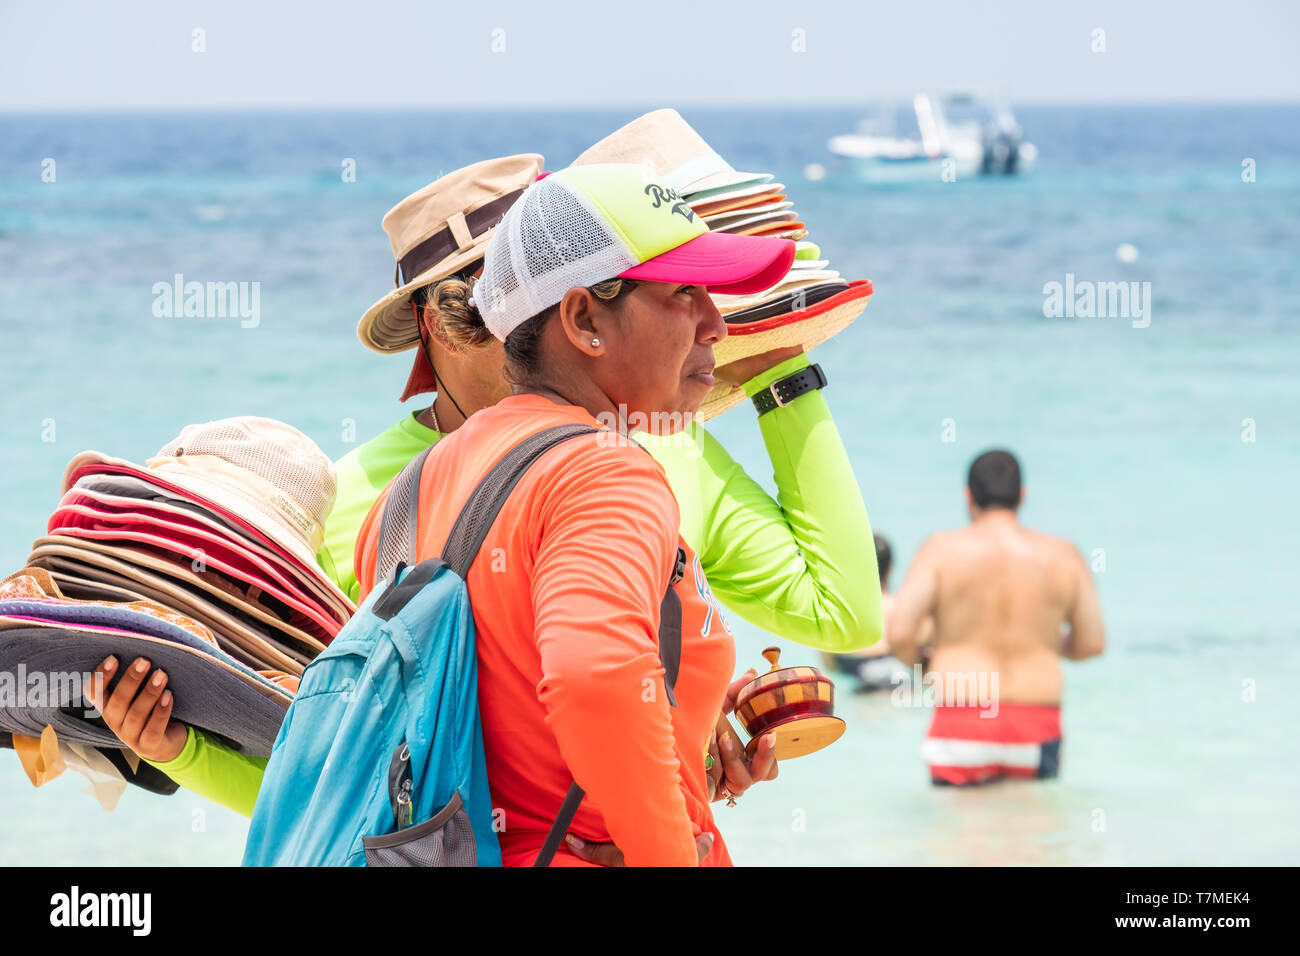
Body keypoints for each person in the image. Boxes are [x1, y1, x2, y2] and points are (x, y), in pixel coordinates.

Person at [90, 148, 879, 857]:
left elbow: (442, 745)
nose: (717, 321)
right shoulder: (610, 471)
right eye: (684, 294)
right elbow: (593, 680)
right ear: (581, 319)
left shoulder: (410, 493)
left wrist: (679, 747)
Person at [887, 449, 1105, 786]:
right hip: (1036, 721)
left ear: (968, 496)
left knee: (958, 836)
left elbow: (900, 634)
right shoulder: (1063, 554)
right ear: (1022, 495)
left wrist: (924, 664)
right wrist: (1043, 642)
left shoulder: (941, 550)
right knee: (1033, 835)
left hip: (962, 718)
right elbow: (1091, 643)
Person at [824, 534, 926, 691]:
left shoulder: (841, 615)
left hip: (859, 691)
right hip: (900, 686)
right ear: (890, 568)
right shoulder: (903, 611)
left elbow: (829, 664)